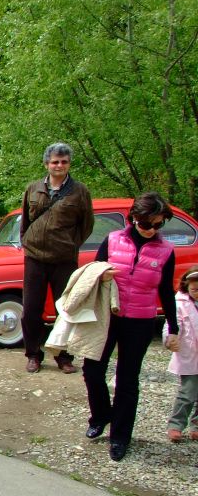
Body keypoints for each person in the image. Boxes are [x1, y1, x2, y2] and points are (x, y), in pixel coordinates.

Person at [83, 192, 179, 461]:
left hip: (140, 321)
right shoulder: (113, 240)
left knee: (127, 380)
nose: (153, 230)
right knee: (92, 370)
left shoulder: (166, 250)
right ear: (134, 219)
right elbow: (91, 274)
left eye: (159, 224)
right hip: (108, 316)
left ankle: (120, 437)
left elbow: (166, 291)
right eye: (148, 224)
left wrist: (173, 326)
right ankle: (101, 415)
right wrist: (103, 274)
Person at [20, 142, 94, 373]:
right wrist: (27, 241)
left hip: (64, 259)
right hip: (34, 257)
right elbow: (25, 220)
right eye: (55, 161)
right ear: (46, 164)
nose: (59, 165)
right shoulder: (33, 188)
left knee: (66, 309)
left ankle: (64, 356)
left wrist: (70, 245)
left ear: (69, 164)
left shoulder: (79, 191)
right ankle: (33, 354)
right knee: (31, 309)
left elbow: (87, 225)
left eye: (63, 161)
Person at [164, 269, 198, 442]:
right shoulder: (180, 304)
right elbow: (172, 325)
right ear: (187, 286)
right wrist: (170, 339)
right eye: (195, 288)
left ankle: (196, 426)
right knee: (188, 392)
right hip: (189, 355)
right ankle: (176, 425)